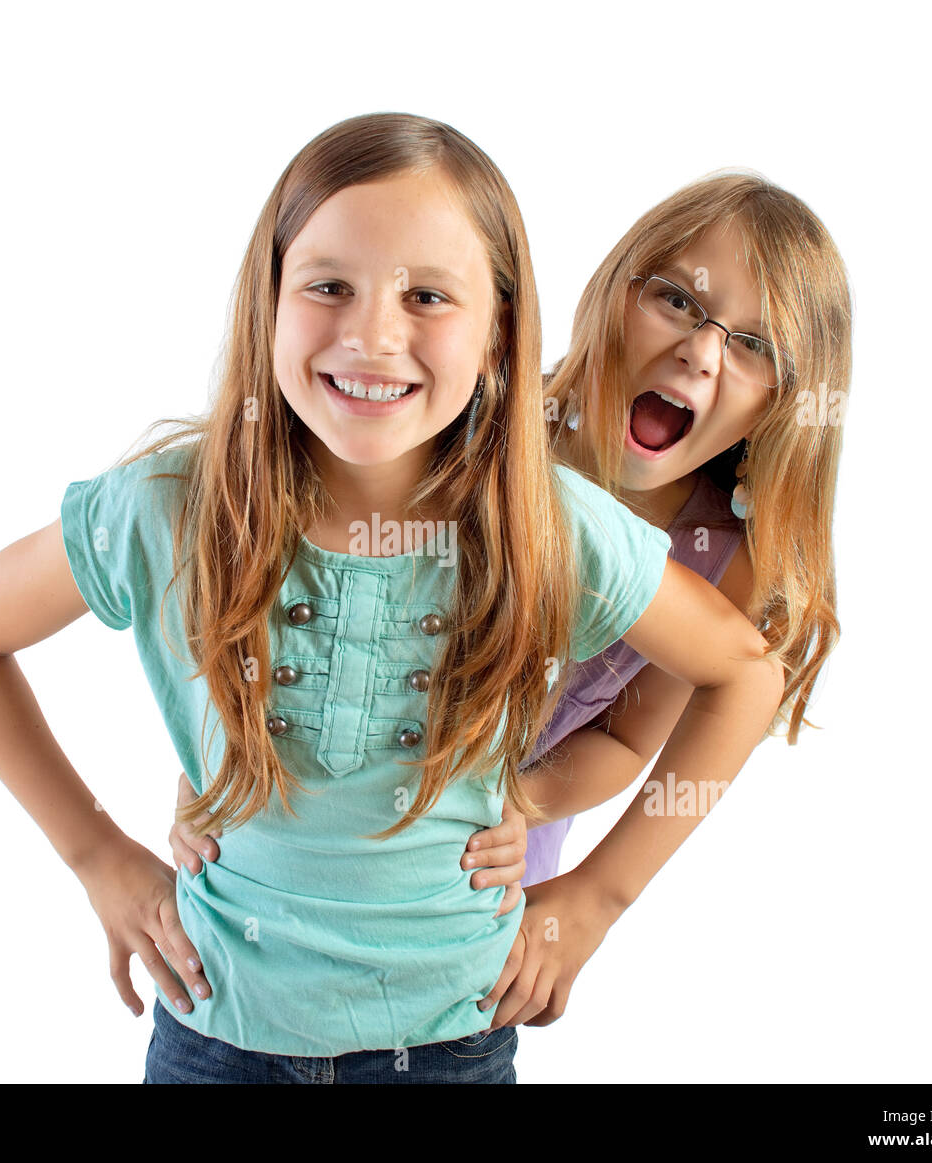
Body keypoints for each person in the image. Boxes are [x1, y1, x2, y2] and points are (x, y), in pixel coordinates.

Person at [0, 113, 781, 1084]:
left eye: (426, 296)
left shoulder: (546, 520)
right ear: (269, 303)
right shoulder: (169, 506)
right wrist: (95, 855)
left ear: (500, 333)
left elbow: (742, 675)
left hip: (450, 1037)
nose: (373, 333)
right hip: (217, 1030)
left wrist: (596, 898)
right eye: (330, 285)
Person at [172, 172, 852, 1035]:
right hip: (305, 815)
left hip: (484, 853)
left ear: (782, 404)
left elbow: (627, 736)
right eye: (677, 299)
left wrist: (579, 881)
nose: (702, 352)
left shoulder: (725, 558)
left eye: (754, 345)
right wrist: (209, 768)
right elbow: (288, 603)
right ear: (614, 291)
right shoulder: (476, 433)